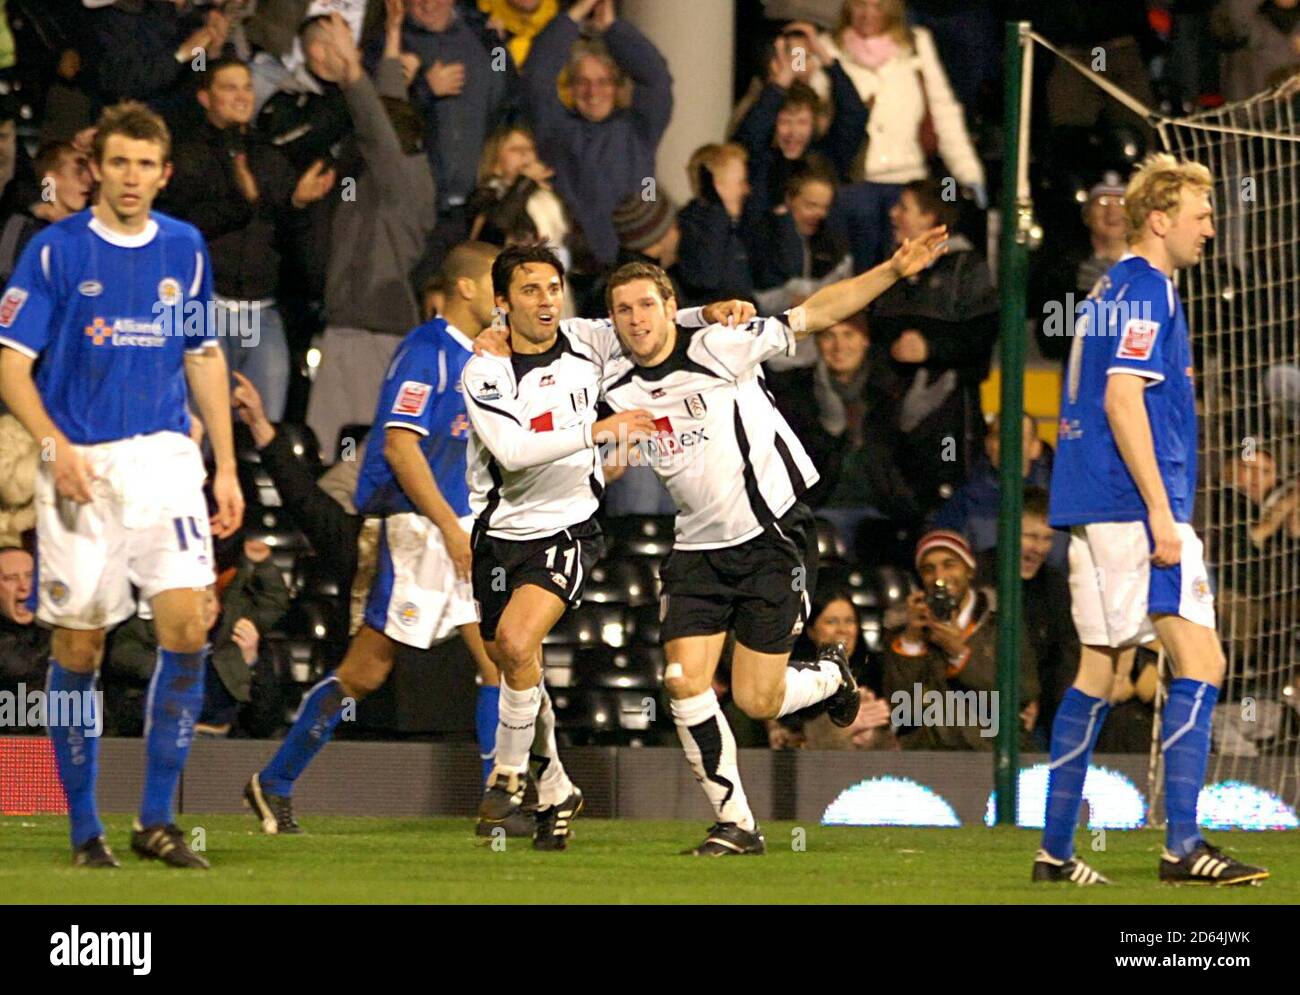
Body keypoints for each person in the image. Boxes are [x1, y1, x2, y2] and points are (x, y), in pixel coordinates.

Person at [596, 227, 947, 854]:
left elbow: (816, 313)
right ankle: (736, 823)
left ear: (670, 306)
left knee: (760, 700)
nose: (635, 318)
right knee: (681, 679)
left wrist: (893, 269)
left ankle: (830, 678)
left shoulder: (722, 345)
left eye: (646, 304)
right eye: (623, 309)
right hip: (697, 550)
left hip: (771, 538)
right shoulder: (614, 383)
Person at [0, 101, 244, 869]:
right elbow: (10, 365)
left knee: (186, 627)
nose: (132, 177)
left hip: (165, 461)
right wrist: (54, 447)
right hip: (78, 463)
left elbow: (204, 356)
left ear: (163, 174)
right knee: (80, 643)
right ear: (94, 169)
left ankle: (155, 817)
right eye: (119, 163)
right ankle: (82, 828)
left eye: (146, 164)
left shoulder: (186, 247)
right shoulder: (53, 250)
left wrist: (227, 465)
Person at [464, 245, 753, 849]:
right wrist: (598, 430)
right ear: (501, 304)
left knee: (517, 643)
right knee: (516, 662)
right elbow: (514, 453)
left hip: (568, 525)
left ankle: (508, 773)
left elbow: (647, 317)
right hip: (499, 533)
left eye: (553, 288)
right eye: (529, 291)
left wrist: (709, 314)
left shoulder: (586, 340)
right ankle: (557, 787)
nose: (546, 301)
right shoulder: (484, 369)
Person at [1034, 153, 1269, 887]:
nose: (1210, 228)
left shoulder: (1112, 288)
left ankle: (1053, 852)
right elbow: (1122, 398)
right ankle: (1185, 845)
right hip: (1133, 508)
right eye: (1200, 215)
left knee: (1098, 671)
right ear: (1160, 219)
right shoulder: (1147, 290)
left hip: (1091, 505)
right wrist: (1163, 515)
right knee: (1202, 662)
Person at [246, 242, 519, 836]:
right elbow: (399, 446)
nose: (504, 298)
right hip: (417, 529)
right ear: (467, 288)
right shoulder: (425, 351)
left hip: (463, 525)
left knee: (499, 659)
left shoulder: (485, 356)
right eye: (496, 285)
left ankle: (499, 806)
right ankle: (275, 780)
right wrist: (449, 528)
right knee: (365, 672)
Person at [160, 56, 336, 423]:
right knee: (203, 426)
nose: (241, 96)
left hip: (262, 310)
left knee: (263, 426)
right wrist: (244, 201)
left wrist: (298, 203)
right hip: (205, 307)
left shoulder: (269, 155)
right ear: (206, 98)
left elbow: (288, 236)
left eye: (247, 87)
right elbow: (185, 226)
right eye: (229, 87)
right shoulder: (187, 155)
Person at [303, 12, 439, 462]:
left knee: (352, 462)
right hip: (355, 330)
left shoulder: (401, 177)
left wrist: (350, 72)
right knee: (336, 458)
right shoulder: (392, 175)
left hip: (370, 334)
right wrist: (394, 37)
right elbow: (388, 106)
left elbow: (375, 122)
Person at [816, 0, 986, 271]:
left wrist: (968, 173)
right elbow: (810, 100)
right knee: (858, 272)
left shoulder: (917, 44)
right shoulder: (825, 46)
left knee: (908, 267)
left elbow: (944, 112)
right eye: (860, 5)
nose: (868, 14)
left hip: (908, 184)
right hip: (856, 183)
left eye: (877, 6)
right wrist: (799, 50)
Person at [870, 176, 997, 513]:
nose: (893, 214)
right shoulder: (889, 269)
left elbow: (983, 339)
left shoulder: (965, 268)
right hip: (890, 416)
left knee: (946, 507)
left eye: (905, 208)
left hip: (949, 417)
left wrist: (931, 347)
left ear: (931, 219)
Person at [522, 0, 672, 275]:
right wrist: (573, 16)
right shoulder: (556, 128)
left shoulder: (638, 128)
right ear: (570, 86)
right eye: (582, 81)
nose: (593, 92)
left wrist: (613, 30)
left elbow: (656, 79)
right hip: (578, 270)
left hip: (636, 265)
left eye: (603, 81)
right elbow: (536, 76)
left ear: (616, 86)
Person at [882, 530, 1039, 750]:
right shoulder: (902, 627)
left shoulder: (1003, 621)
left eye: (949, 565)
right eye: (929, 569)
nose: (939, 577)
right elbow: (901, 707)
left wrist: (960, 655)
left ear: (969, 570)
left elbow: (1022, 692)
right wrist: (912, 642)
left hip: (991, 751)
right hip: (928, 757)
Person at [731, 24, 868, 218]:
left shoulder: (824, 157)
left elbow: (854, 115)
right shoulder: (759, 159)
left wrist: (825, 57)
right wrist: (781, 81)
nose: (794, 133)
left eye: (802, 122)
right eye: (786, 122)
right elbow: (750, 134)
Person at [0, 141, 92, 286]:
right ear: (51, 179)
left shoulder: (91, 227)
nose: (87, 181)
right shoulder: (23, 226)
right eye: (78, 172)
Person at [676, 143, 755, 307]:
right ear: (716, 186)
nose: (746, 190)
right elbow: (706, 278)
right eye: (740, 182)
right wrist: (716, 213)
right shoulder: (691, 226)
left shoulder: (734, 226)